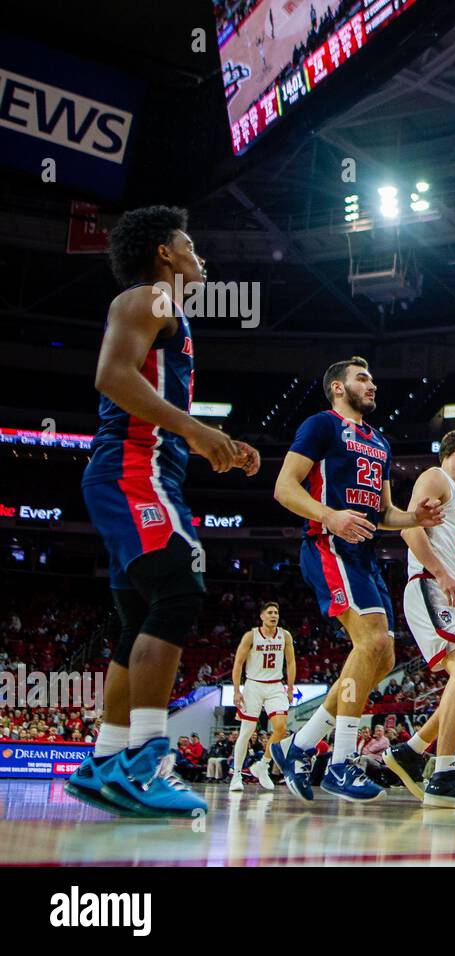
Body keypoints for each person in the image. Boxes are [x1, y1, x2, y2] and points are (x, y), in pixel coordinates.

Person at [68, 206, 260, 818]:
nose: (199, 254)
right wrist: (198, 432)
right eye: (190, 243)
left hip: (150, 473)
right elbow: (111, 376)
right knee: (180, 587)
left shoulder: (170, 314)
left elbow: (153, 398)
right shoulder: (149, 298)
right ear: (163, 254)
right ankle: (146, 758)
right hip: (133, 472)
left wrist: (215, 445)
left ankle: (105, 759)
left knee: (139, 617)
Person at [270, 357, 442, 803]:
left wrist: (413, 517)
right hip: (328, 543)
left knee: (381, 660)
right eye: (362, 378)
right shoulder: (321, 425)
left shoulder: (380, 441)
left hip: (364, 552)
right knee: (370, 645)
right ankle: (341, 762)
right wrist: (329, 514)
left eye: (372, 377)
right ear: (337, 388)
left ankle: (301, 745)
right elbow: (284, 488)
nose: (372, 384)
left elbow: (385, 514)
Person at [381, 431, 455, 809]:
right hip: (430, 583)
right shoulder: (434, 476)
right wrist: (442, 574)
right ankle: (445, 774)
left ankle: (412, 752)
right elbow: (409, 527)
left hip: (449, 594)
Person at [229, 601, 295, 793]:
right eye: (270, 613)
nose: (274, 615)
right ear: (262, 616)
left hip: (275, 685)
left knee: (281, 729)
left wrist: (290, 688)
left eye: (276, 612)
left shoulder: (285, 635)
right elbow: (238, 663)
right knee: (246, 731)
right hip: (253, 685)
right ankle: (237, 774)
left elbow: (291, 662)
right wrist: (236, 690)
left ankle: (263, 765)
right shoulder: (251, 635)